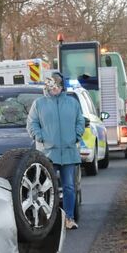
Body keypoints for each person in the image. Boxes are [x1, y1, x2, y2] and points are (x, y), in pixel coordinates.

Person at [27, 71, 86, 230]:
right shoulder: (39, 104)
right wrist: (40, 138)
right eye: (52, 86)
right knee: (47, 188)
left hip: (69, 152)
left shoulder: (72, 103)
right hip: (48, 154)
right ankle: (49, 220)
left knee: (69, 187)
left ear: (62, 87)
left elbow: (80, 120)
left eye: (58, 86)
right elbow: (32, 124)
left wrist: (76, 135)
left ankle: (69, 218)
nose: (55, 89)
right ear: (47, 86)